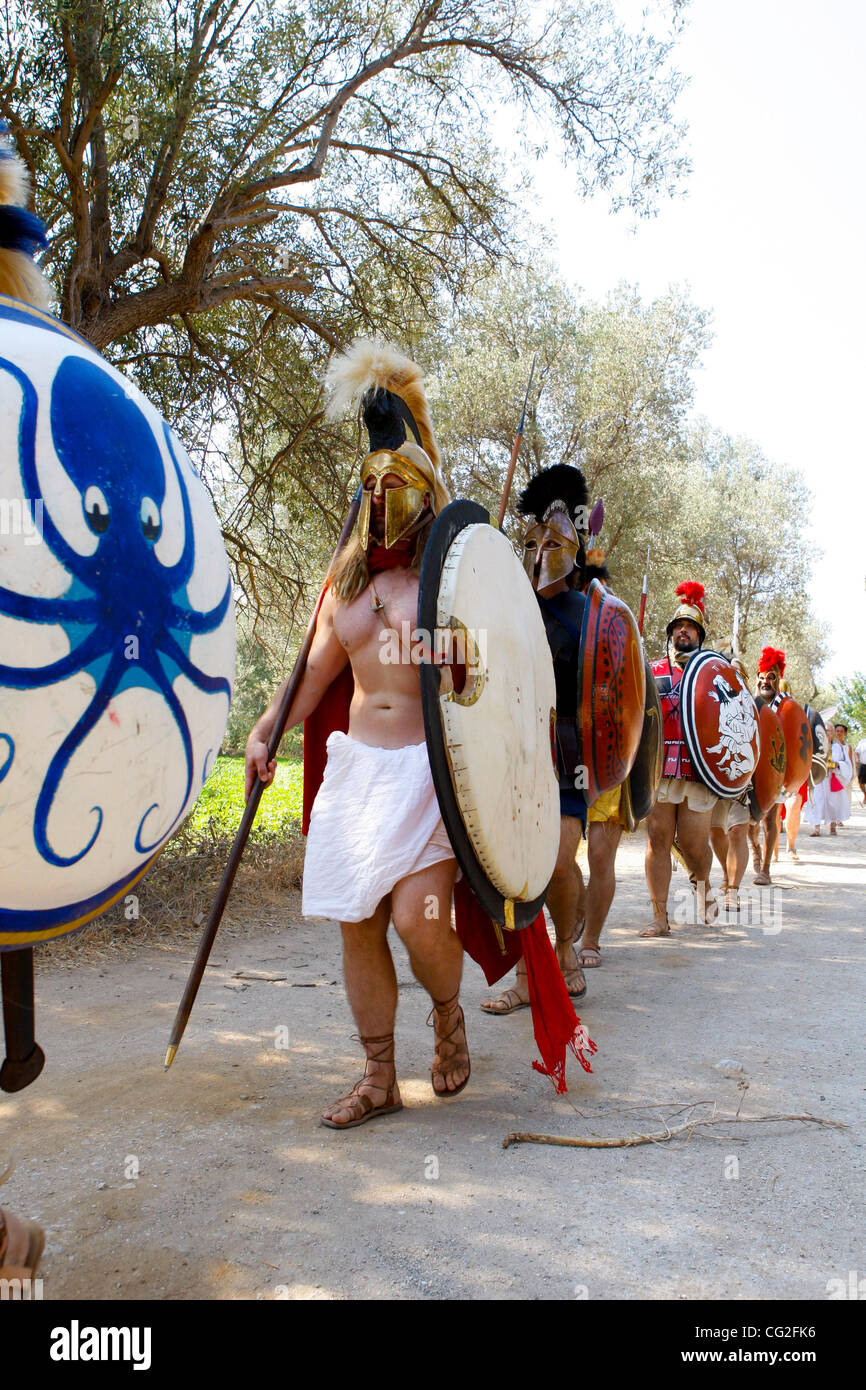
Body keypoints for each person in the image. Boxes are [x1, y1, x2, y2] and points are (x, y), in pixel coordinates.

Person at [246, 341, 469, 1128]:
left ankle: (448, 1010)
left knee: (417, 918)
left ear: (422, 490)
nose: (382, 501)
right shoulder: (346, 585)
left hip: (424, 774)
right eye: (372, 486)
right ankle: (379, 1075)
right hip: (357, 774)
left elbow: (483, 688)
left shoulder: (453, 578)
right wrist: (269, 730)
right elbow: (311, 675)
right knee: (357, 920)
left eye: (396, 485)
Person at [482, 465, 590, 1012]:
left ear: (574, 545)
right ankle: (527, 978)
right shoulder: (507, 609)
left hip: (569, 753)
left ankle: (567, 945)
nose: (540, 550)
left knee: (558, 862)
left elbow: (608, 696)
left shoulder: (594, 615)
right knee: (515, 867)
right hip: (515, 750)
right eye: (532, 541)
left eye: (552, 540)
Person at [643, 582, 718, 937]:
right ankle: (660, 917)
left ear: (699, 636)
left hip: (698, 768)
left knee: (693, 843)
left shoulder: (714, 675)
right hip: (660, 768)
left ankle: (702, 885)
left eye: (691, 627)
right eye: (679, 626)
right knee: (658, 840)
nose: (684, 631)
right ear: (671, 633)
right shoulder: (651, 670)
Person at [576, 549, 627, 967]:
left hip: (607, 755)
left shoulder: (614, 623)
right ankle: (574, 911)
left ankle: (591, 938)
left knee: (598, 855)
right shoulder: (556, 614)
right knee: (555, 857)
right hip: (564, 751)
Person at [748, 647, 787, 885]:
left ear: (778, 680)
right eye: (761, 677)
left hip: (775, 768)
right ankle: (754, 847)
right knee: (749, 823)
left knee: (770, 820)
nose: (765, 681)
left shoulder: (786, 707)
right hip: (750, 768)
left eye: (770, 677)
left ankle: (765, 869)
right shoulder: (749, 702)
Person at [855, 730, 866, 806]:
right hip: (863, 764)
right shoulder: (862, 741)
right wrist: (857, 759)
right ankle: (865, 794)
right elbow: (856, 752)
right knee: (861, 782)